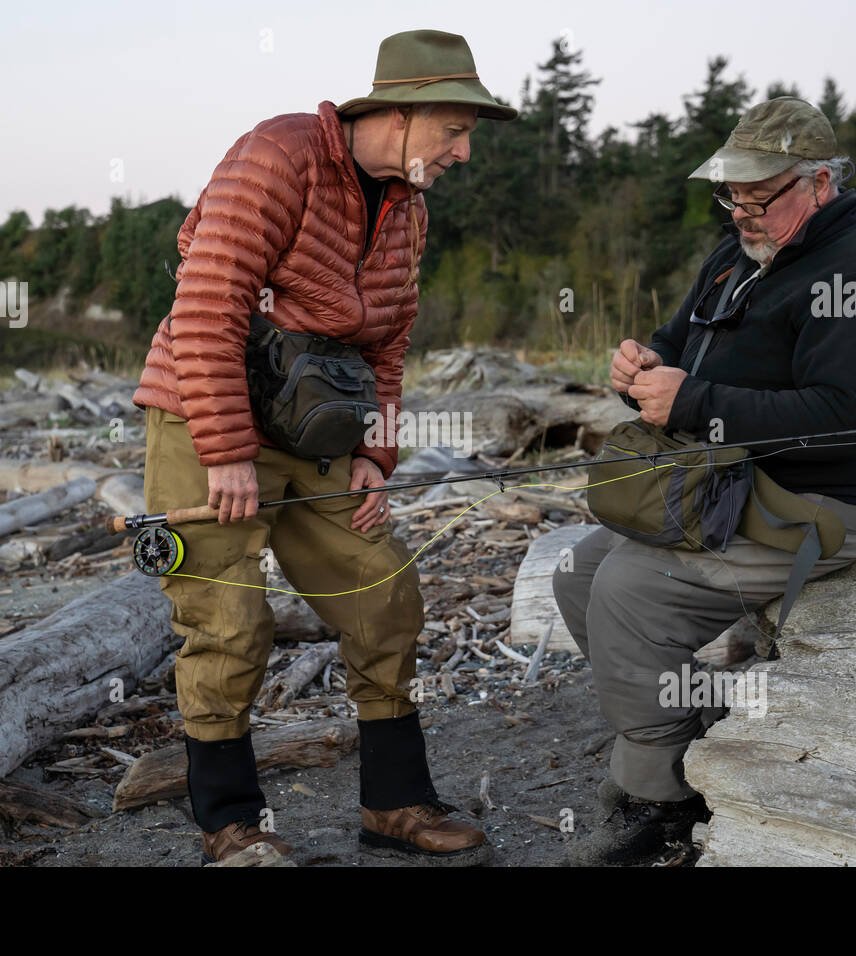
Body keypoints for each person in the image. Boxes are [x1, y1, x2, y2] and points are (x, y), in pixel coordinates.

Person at [130, 29, 516, 864]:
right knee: (227, 622)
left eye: (470, 133)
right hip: (207, 419)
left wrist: (377, 458)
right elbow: (207, 306)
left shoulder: (408, 210)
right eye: (453, 129)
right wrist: (228, 449)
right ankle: (231, 827)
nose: (465, 151)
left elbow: (388, 350)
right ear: (401, 113)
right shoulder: (278, 154)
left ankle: (396, 806)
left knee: (383, 595)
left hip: (318, 435)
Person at [552, 97, 856, 865]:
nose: (741, 213)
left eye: (759, 197)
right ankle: (688, 726)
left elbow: (842, 418)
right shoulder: (735, 254)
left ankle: (659, 805)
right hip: (724, 482)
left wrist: (694, 401)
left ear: (820, 183)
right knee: (578, 571)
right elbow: (674, 340)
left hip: (828, 504)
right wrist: (641, 370)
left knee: (629, 590)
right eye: (731, 194)